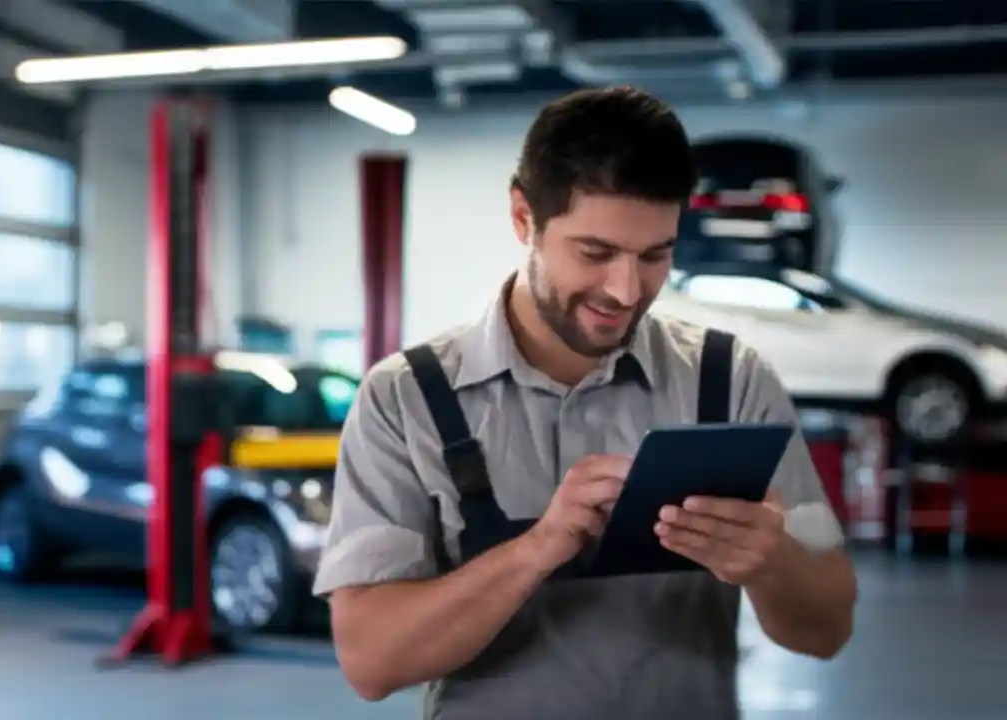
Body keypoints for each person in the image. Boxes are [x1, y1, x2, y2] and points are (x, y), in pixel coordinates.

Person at [312, 86, 857, 719]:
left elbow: (827, 628)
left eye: (655, 255)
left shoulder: (729, 383)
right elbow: (372, 663)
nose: (626, 290)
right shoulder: (405, 400)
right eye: (595, 253)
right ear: (524, 219)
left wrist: (773, 562)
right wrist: (536, 549)